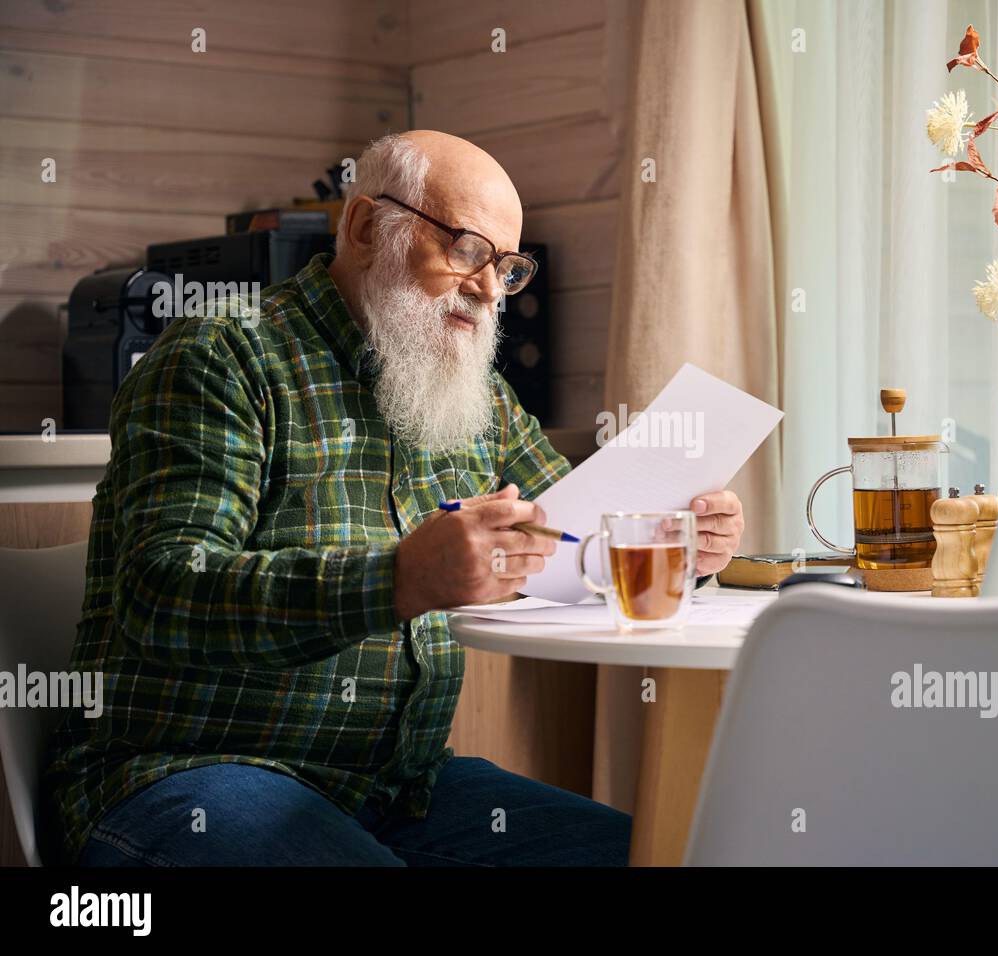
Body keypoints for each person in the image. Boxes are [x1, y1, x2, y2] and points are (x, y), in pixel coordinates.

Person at [44, 130, 745, 867]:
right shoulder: (220, 357)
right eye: (467, 249)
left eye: (508, 267)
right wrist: (399, 579)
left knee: (664, 856)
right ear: (366, 227)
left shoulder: (481, 400)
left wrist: (681, 544)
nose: (486, 288)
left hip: (400, 788)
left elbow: (576, 534)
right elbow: (165, 595)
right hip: (188, 775)